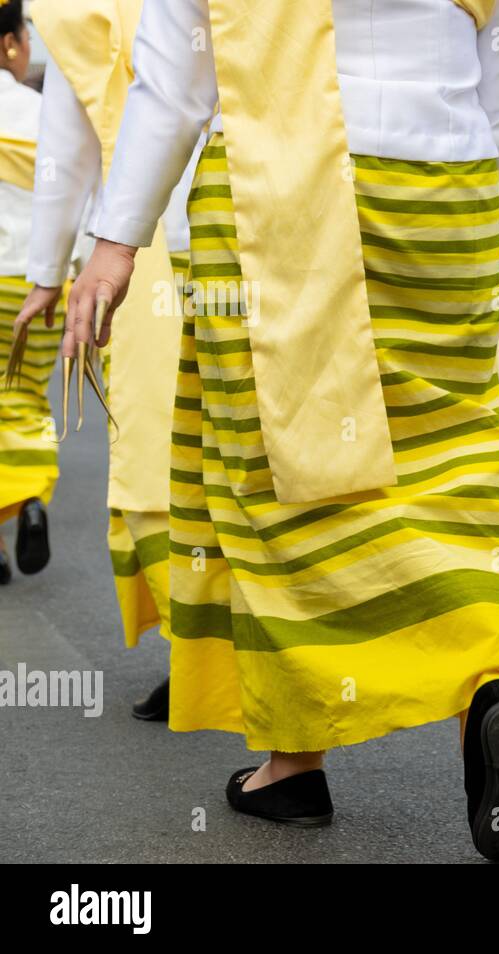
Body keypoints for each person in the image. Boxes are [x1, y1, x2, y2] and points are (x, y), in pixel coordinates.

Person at [66, 0, 499, 861]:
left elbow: (175, 80)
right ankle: (484, 690)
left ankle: (292, 764)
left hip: (276, 179)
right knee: (455, 463)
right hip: (443, 186)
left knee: (286, 477)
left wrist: (116, 240)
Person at [18, 0, 200, 723]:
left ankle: (197, 654)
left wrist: (46, 272)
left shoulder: (72, 11)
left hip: (136, 243)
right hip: (257, 221)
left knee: (160, 460)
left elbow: (66, 155)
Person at [0, 0, 55, 586]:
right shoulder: (41, 114)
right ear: (12, 44)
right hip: (35, 281)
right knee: (26, 399)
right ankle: (32, 494)